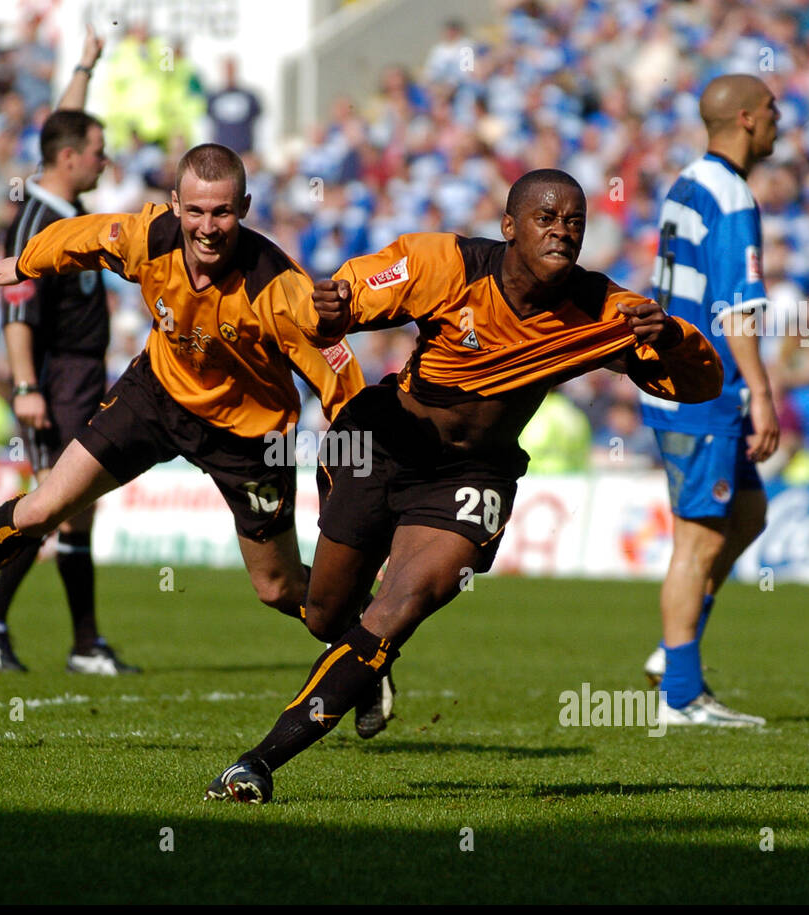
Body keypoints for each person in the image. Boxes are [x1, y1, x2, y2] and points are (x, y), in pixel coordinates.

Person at [205, 168, 724, 803]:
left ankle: (257, 763)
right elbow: (356, 292)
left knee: (397, 609)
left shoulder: (602, 310)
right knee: (325, 617)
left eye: (575, 223)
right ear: (509, 227)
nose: (562, 231)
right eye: (546, 218)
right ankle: (364, 668)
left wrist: (671, 339)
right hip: (382, 446)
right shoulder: (448, 263)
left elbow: (703, 384)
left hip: (472, 476)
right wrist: (335, 308)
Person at [0, 144, 367, 677]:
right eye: (195, 211)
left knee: (276, 589)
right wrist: (24, 263)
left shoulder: (280, 288)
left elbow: (341, 379)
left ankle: (366, 635)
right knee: (40, 508)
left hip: (248, 439)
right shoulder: (151, 237)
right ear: (174, 204)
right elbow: (85, 236)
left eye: (222, 212)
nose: (207, 227)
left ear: (246, 207)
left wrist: (361, 463)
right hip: (157, 397)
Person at [0, 26, 136, 676]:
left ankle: (85, 643)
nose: (103, 158)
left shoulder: (66, 206)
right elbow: (18, 314)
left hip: (82, 374)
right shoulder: (38, 223)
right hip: (55, 376)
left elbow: (65, 122)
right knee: (48, 504)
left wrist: (87, 63)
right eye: (97, 151)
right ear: (68, 160)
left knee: (76, 509)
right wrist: (26, 387)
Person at [639, 74, 781, 727]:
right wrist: (761, 395)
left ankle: (676, 653)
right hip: (705, 388)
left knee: (747, 514)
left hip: (677, 380)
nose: (781, 121)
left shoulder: (686, 182)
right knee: (695, 543)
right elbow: (736, 310)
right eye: (775, 110)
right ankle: (681, 695)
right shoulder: (731, 194)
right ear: (748, 118)